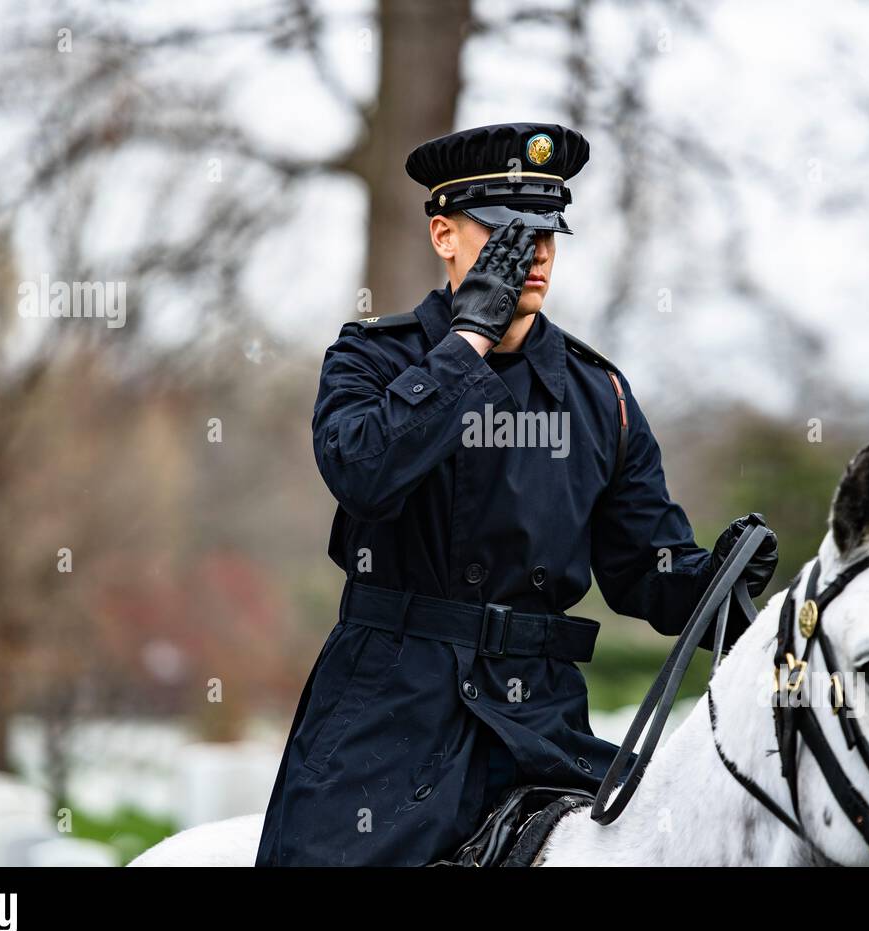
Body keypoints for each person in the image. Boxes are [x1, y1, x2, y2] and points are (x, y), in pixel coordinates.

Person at [255, 122, 778, 866]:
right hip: (390, 718)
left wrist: (712, 579)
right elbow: (365, 473)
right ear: (444, 235)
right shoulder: (372, 357)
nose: (533, 254)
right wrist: (467, 340)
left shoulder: (600, 395)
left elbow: (642, 575)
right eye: (506, 234)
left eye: (547, 235)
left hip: (541, 726)